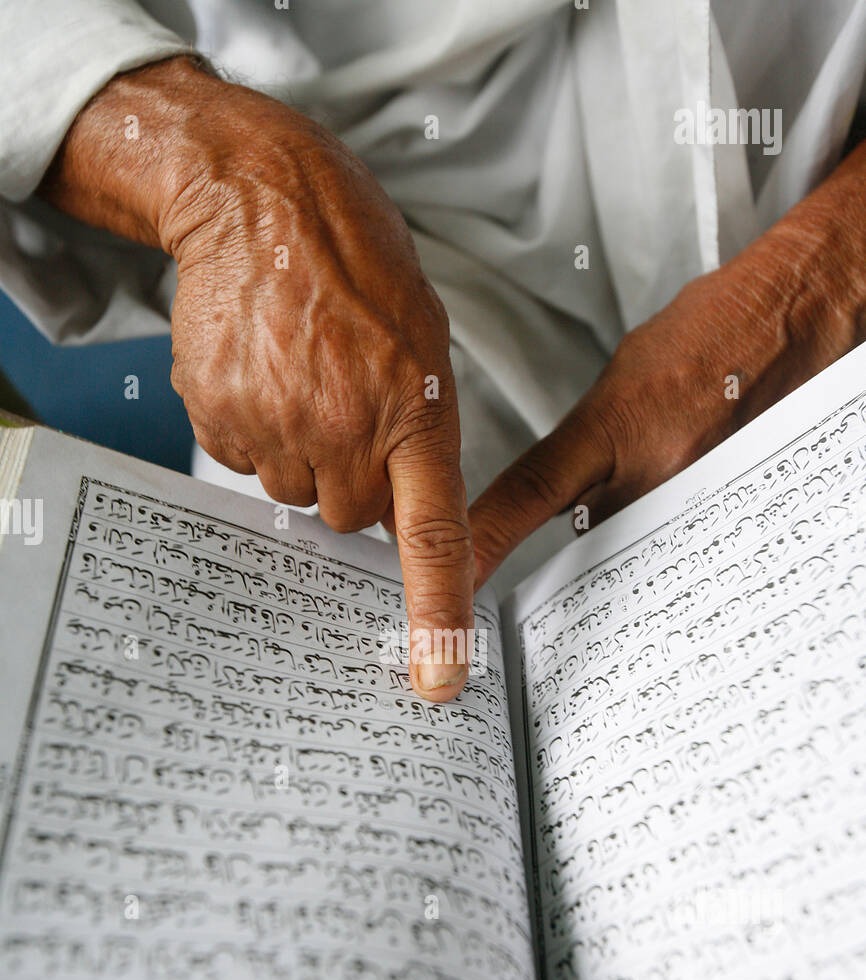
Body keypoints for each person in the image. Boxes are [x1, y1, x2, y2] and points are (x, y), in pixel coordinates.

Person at [1, 0, 865, 700]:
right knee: (310, 668)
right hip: (380, 246)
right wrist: (215, 175)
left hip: (827, 182)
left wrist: (823, 277)